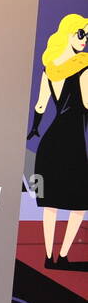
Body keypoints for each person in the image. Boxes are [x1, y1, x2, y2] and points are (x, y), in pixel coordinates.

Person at [28, 14, 88, 268]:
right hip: (72, 142)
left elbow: (41, 105)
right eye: (82, 34)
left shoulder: (49, 70)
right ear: (68, 33)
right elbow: (86, 104)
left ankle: (49, 257)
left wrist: (35, 129)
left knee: (50, 204)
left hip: (50, 142)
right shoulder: (84, 67)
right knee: (79, 205)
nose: (85, 41)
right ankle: (62, 256)